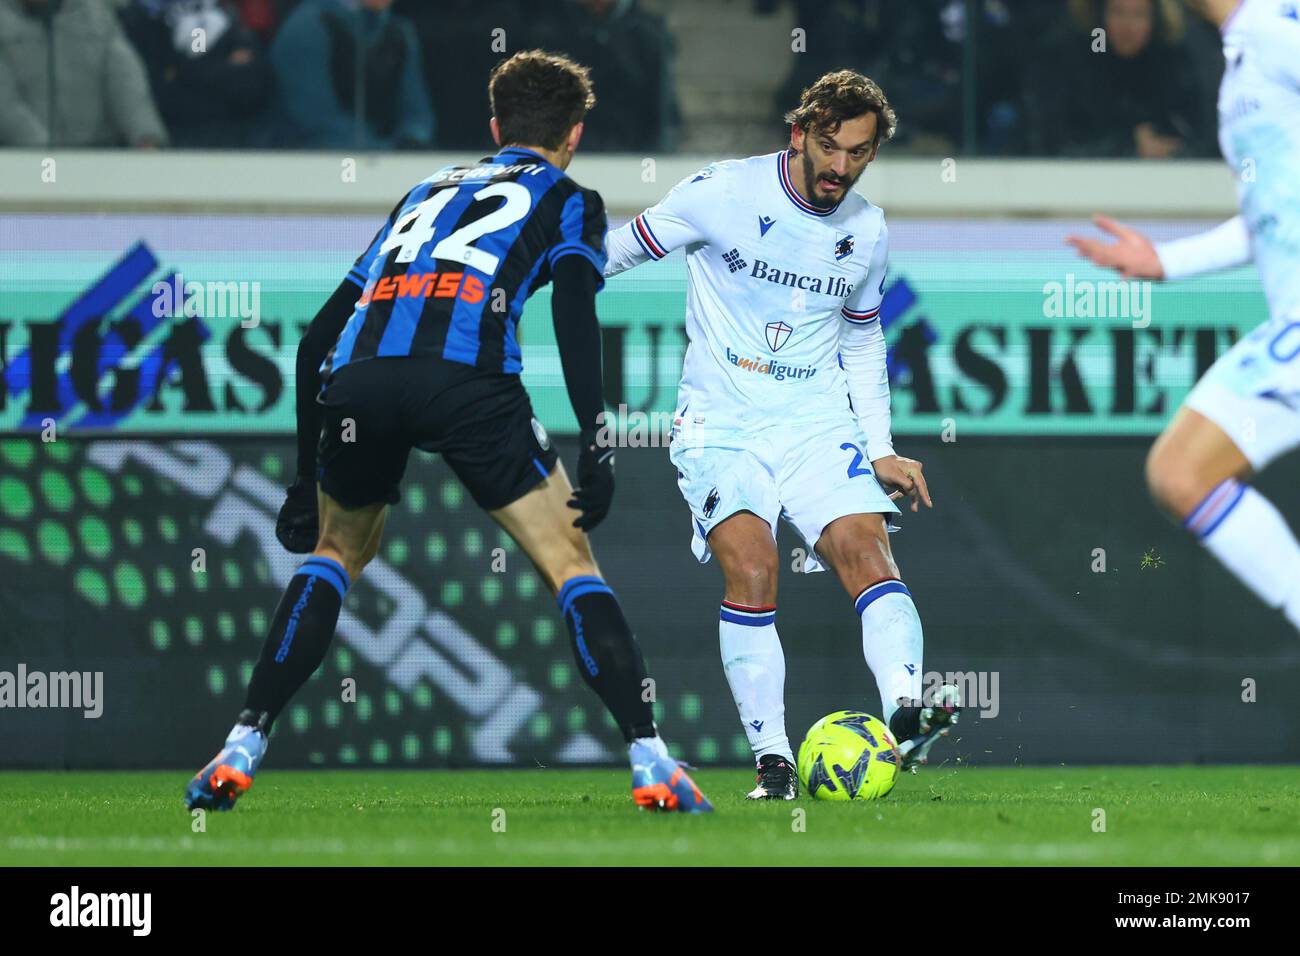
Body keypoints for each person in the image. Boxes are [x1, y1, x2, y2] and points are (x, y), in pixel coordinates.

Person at [186, 50, 712, 814]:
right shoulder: (569, 197)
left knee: (336, 553)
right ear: (575, 134)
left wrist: (304, 479)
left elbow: (311, 345)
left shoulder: (423, 191)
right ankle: (650, 757)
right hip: (468, 382)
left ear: (495, 127)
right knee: (568, 562)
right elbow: (573, 312)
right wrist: (596, 439)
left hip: (362, 378)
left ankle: (243, 739)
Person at [602, 70, 961, 800]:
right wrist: (525, 267)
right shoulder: (721, 193)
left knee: (866, 547)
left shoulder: (867, 230)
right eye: (829, 146)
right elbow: (613, 253)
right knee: (755, 568)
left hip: (815, 420)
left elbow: (862, 341)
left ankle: (905, 711)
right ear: (799, 133)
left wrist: (881, 445)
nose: (840, 166)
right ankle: (773, 759)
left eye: (858, 153)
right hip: (722, 423)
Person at [1068, 0, 1300, 632]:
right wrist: (1166, 263)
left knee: (1181, 471)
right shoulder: (1244, 52)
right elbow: (1271, 213)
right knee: (1181, 473)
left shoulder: (1279, 32)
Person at [0, 0, 167, 148]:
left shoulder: (96, 14)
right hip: (21, 157)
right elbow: (7, 105)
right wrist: (47, 152)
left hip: (99, 154)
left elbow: (125, 81)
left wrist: (146, 136)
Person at [268, 0, 433, 149]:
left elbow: (416, 111)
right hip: (305, 162)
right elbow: (315, 117)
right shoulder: (306, 28)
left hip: (382, 159)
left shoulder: (399, 32)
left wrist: (413, 139)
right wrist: (382, 152)